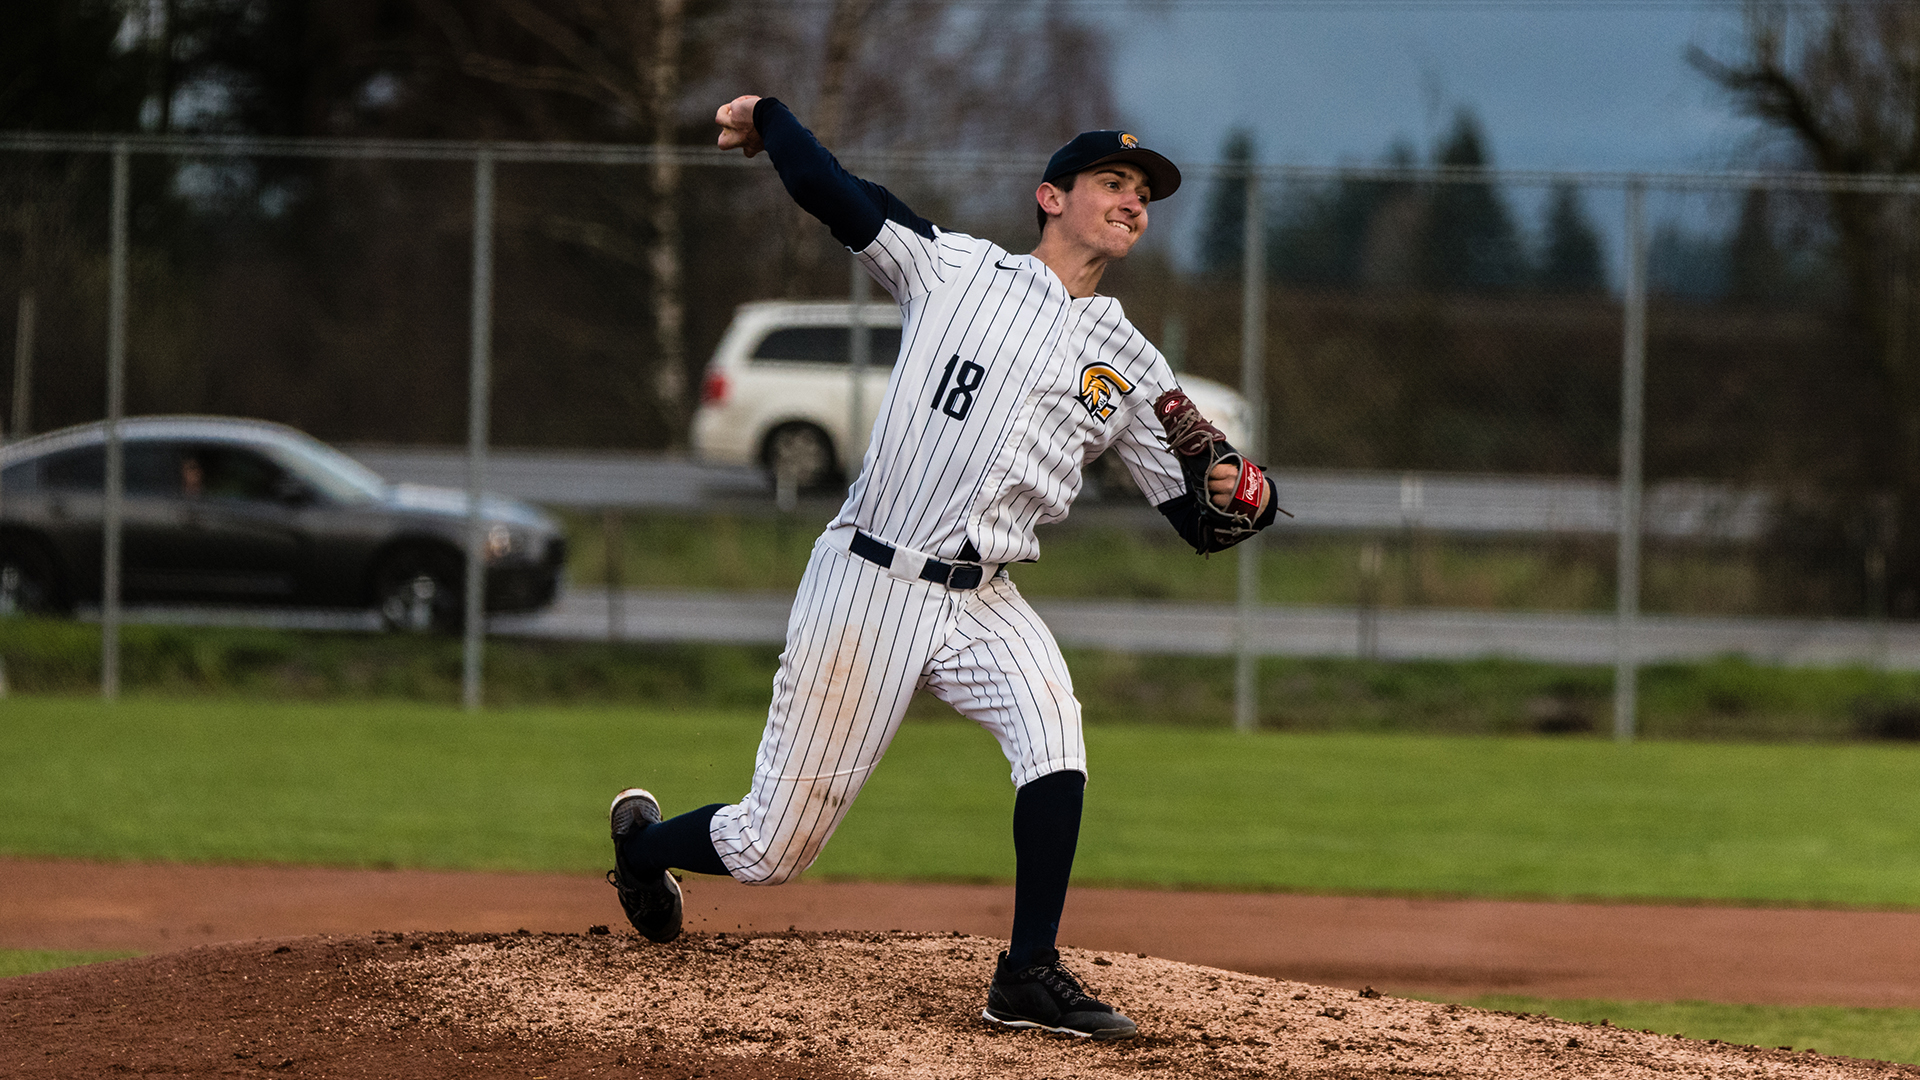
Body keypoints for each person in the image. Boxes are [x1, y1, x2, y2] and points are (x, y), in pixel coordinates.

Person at [606, 94, 1280, 1041]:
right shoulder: (953, 269)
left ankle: (1028, 974)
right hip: (869, 580)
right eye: (1113, 183)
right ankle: (644, 852)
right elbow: (832, 191)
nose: (1134, 202)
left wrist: (1243, 498)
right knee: (771, 848)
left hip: (986, 597)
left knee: (1054, 734)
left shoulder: (1133, 362)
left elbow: (1201, 522)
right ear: (1051, 196)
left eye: (1145, 193)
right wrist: (772, 117)